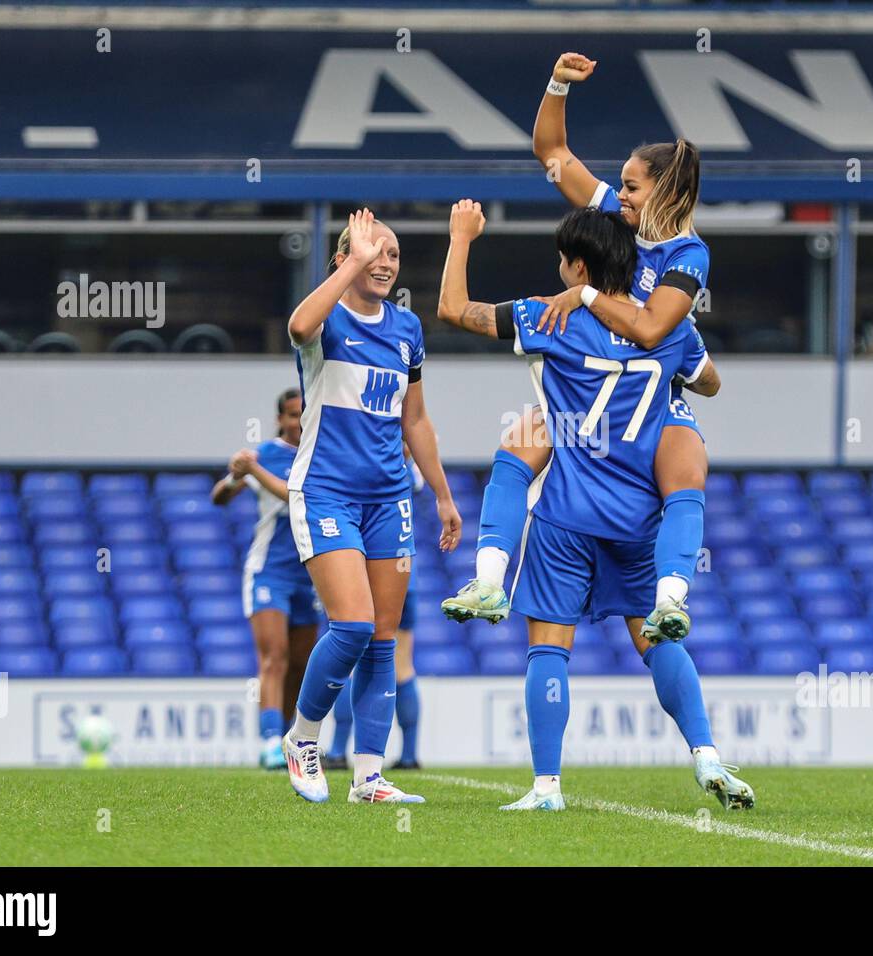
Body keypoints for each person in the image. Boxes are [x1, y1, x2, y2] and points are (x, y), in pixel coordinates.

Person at [437, 199, 753, 812]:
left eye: (562, 259)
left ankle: (547, 787)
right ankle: (707, 754)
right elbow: (712, 382)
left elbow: (453, 309)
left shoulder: (548, 316)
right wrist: (669, 372)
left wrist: (461, 237)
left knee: (549, 647)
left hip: (566, 516)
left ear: (578, 267)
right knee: (659, 644)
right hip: (636, 517)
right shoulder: (670, 330)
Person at [443, 52, 711, 644]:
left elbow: (649, 330)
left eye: (632, 186)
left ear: (664, 192)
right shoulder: (621, 218)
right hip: (597, 394)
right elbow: (553, 155)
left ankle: (673, 595)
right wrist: (558, 83)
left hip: (650, 397)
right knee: (525, 441)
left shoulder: (687, 256)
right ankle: (491, 578)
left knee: (682, 474)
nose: (620, 195)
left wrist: (585, 294)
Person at [282, 208, 460, 804]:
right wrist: (351, 260)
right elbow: (298, 325)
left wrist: (441, 493)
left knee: (383, 639)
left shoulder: (407, 328)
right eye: (372, 251)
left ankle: (368, 777)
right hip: (327, 490)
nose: (385, 261)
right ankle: (303, 738)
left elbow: (415, 418)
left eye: (393, 254)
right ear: (344, 258)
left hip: (390, 498)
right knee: (353, 625)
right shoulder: (326, 318)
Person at [211, 388, 322, 770]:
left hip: (310, 573)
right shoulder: (267, 456)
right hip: (268, 571)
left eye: (303, 414)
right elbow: (220, 496)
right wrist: (235, 476)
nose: (298, 421)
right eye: (292, 415)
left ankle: (287, 737)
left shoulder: (322, 452)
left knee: (301, 664)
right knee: (274, 657)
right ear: (280, 419)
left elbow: (303, 499)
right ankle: (268, 742)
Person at [327, 445, 425, 771]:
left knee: (352, 661)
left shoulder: (360, 467)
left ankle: (339, 751)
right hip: (398, 573)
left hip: (355, 573)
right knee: (401, 664)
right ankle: (409, 755)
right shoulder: (408, 473)